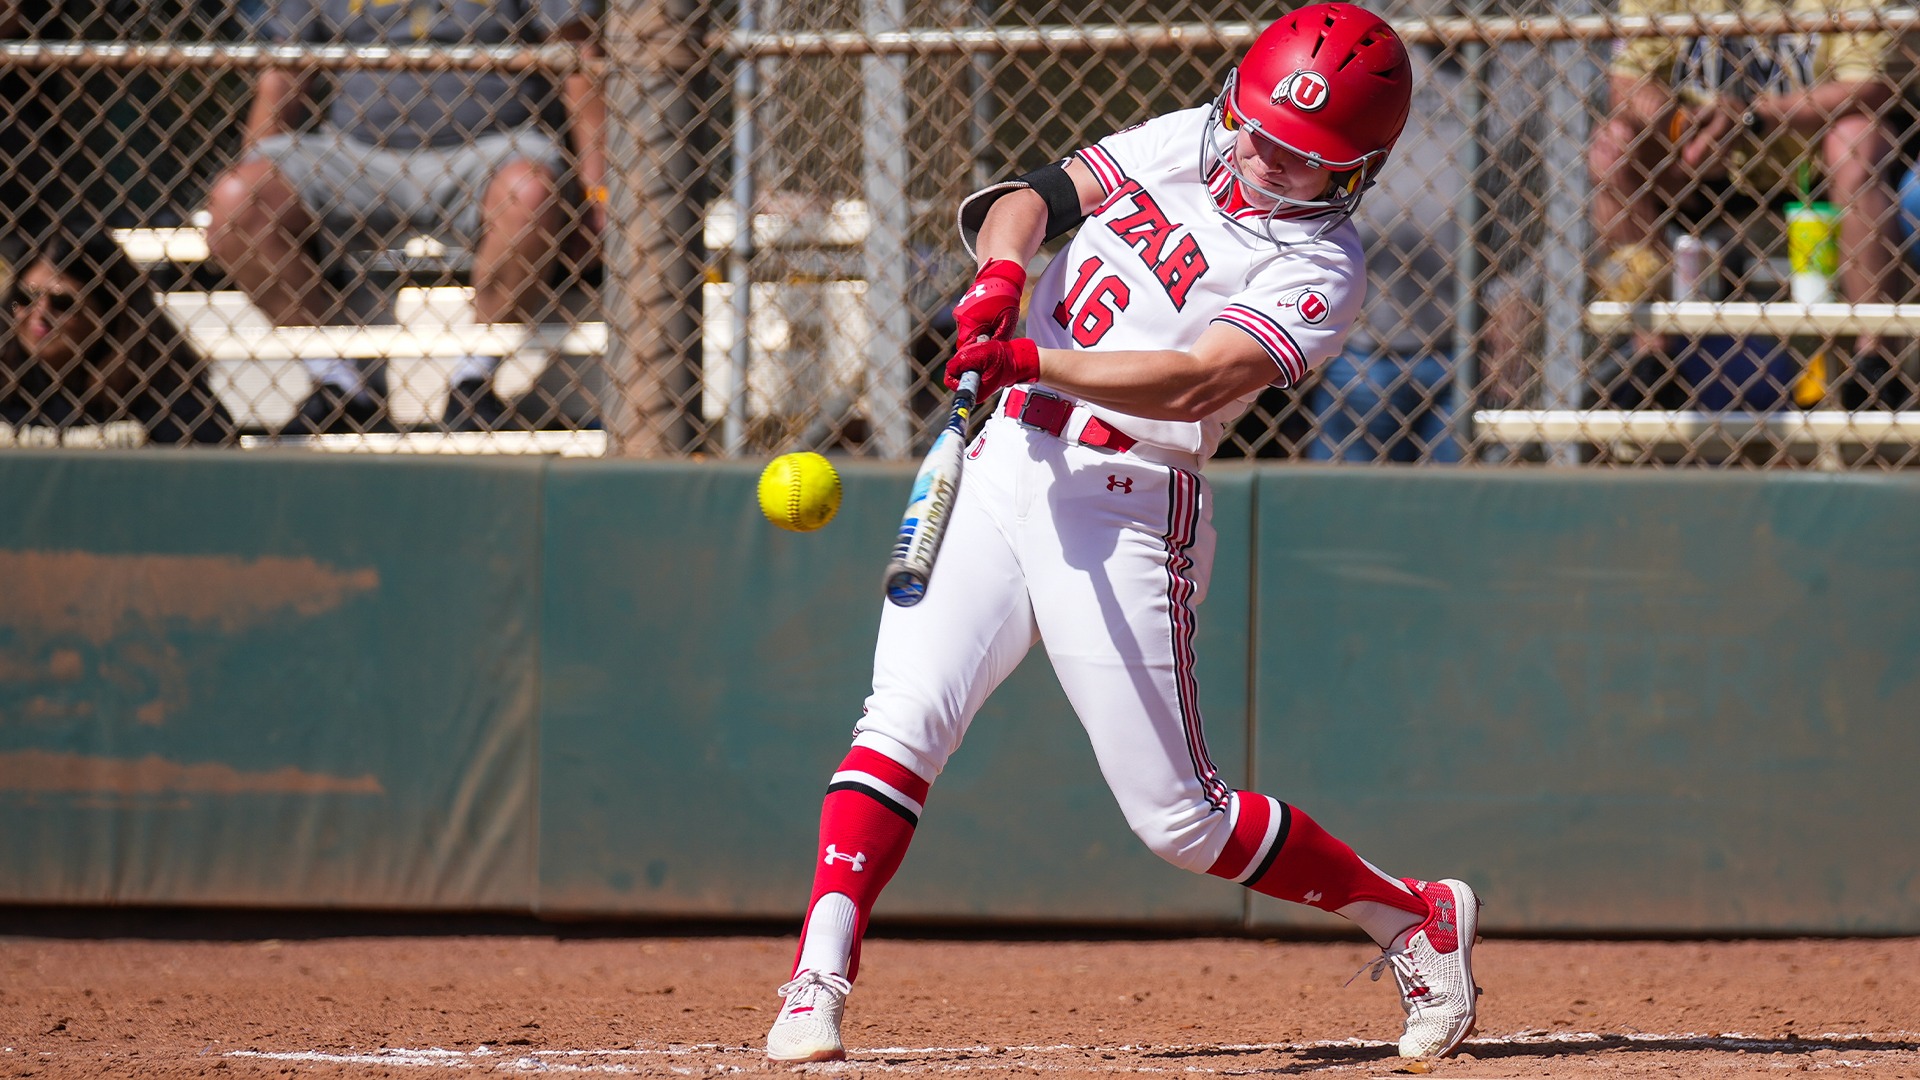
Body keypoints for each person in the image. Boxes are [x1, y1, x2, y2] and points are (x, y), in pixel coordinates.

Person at [765, 4, 1481, 1064]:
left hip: (1130, 493)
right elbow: (1030, 200)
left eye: (1301, 162)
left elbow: (1198, 376)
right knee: (902, 717)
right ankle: (816, 977)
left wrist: (1029, 361)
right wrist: (1002, 279)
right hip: (1003, 451)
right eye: (1259, 135)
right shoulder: (1185, 140)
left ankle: (1412, 914)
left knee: (1180, 823)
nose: (1263, 165)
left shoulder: (1325, 271)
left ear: (1355, 172)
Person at [204, 0, 605, 434]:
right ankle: (339, 383)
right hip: (352, 153)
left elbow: (578, 57)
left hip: (493, 149)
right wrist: (253, 170)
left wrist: (598, 194)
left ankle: (473, 379)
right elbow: (284, 70)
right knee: (236, 201)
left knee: (532, 193)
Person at [1589, 0, 1906, 408]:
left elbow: (1872, 85)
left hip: (1814, 163)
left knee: (1859, 136)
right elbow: (1628, 80)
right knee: (1612, 145)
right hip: (1699, 158)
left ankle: (1876, 360)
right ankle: (1653, 358)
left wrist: (1752, 118)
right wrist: (1683, 123)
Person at [1304, 35, 1464, 463]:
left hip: (1461, 345)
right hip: (1361, 346)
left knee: (1454, 506)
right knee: (1342, 505)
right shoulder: (1365, 56)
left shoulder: (1498, 65)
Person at [1, 217, 236, 446]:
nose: (39, 314)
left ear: (108, 311)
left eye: (63, 303)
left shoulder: (165, 395)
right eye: (25, 298)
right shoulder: (8, 386)